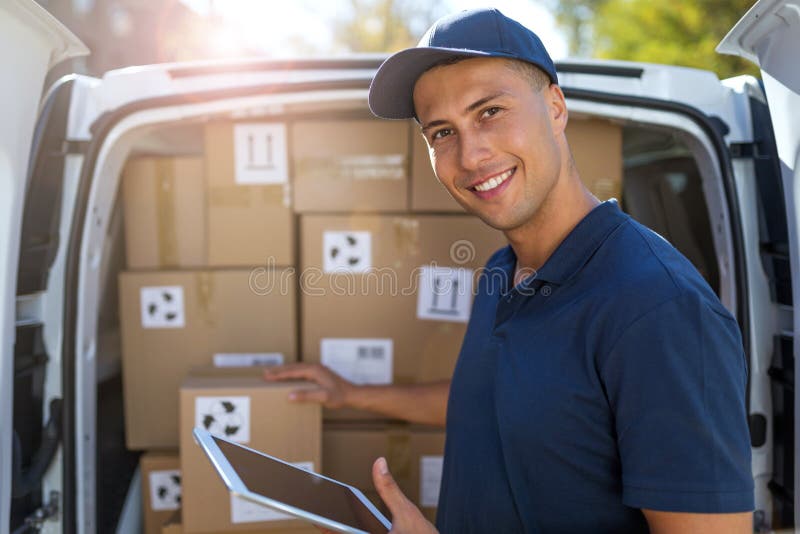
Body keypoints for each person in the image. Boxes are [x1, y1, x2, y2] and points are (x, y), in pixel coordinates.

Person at [264, 8, 754, 533]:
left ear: (556, 107)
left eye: (490, 111)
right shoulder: (503, 273)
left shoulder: (658, 308)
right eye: (442, 133)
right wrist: (351, 394)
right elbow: (499, 401)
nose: (471, 154)